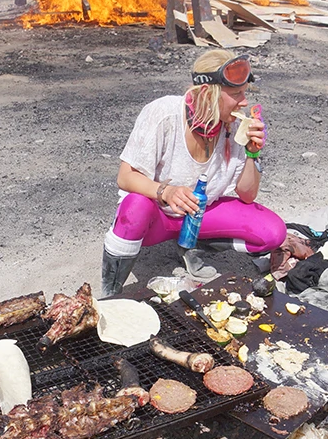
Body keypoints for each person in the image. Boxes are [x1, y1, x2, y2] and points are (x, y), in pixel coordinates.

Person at [100, 49, 286, 296]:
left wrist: (252, 153)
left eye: (244, 93)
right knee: (135, 206)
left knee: (271, 232)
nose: (244, 102)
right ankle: (110, 291)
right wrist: (166, 191)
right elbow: (125, 177)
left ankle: (192, 247)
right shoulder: (164, 113)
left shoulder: (234, 129)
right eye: (235, 94)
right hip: (157, 217)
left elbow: (247, 195)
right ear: (208, 94)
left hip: (199, 216)